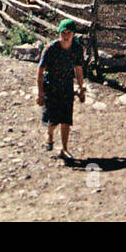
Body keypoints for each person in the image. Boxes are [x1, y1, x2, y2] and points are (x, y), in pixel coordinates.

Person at [37, 18, 85, 158]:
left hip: (66, 86)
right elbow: (40, 70)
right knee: (53, 118)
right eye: (63, 32)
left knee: (66, 119)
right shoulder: (51, 49)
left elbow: (78, 69)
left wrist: (81, 88)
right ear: (59, 33)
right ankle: (49, 134)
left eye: (69, 32)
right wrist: (40, 93)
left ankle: (64, 149)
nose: (66, 35)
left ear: (73, 34)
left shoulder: (76, 49)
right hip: (51, 86)